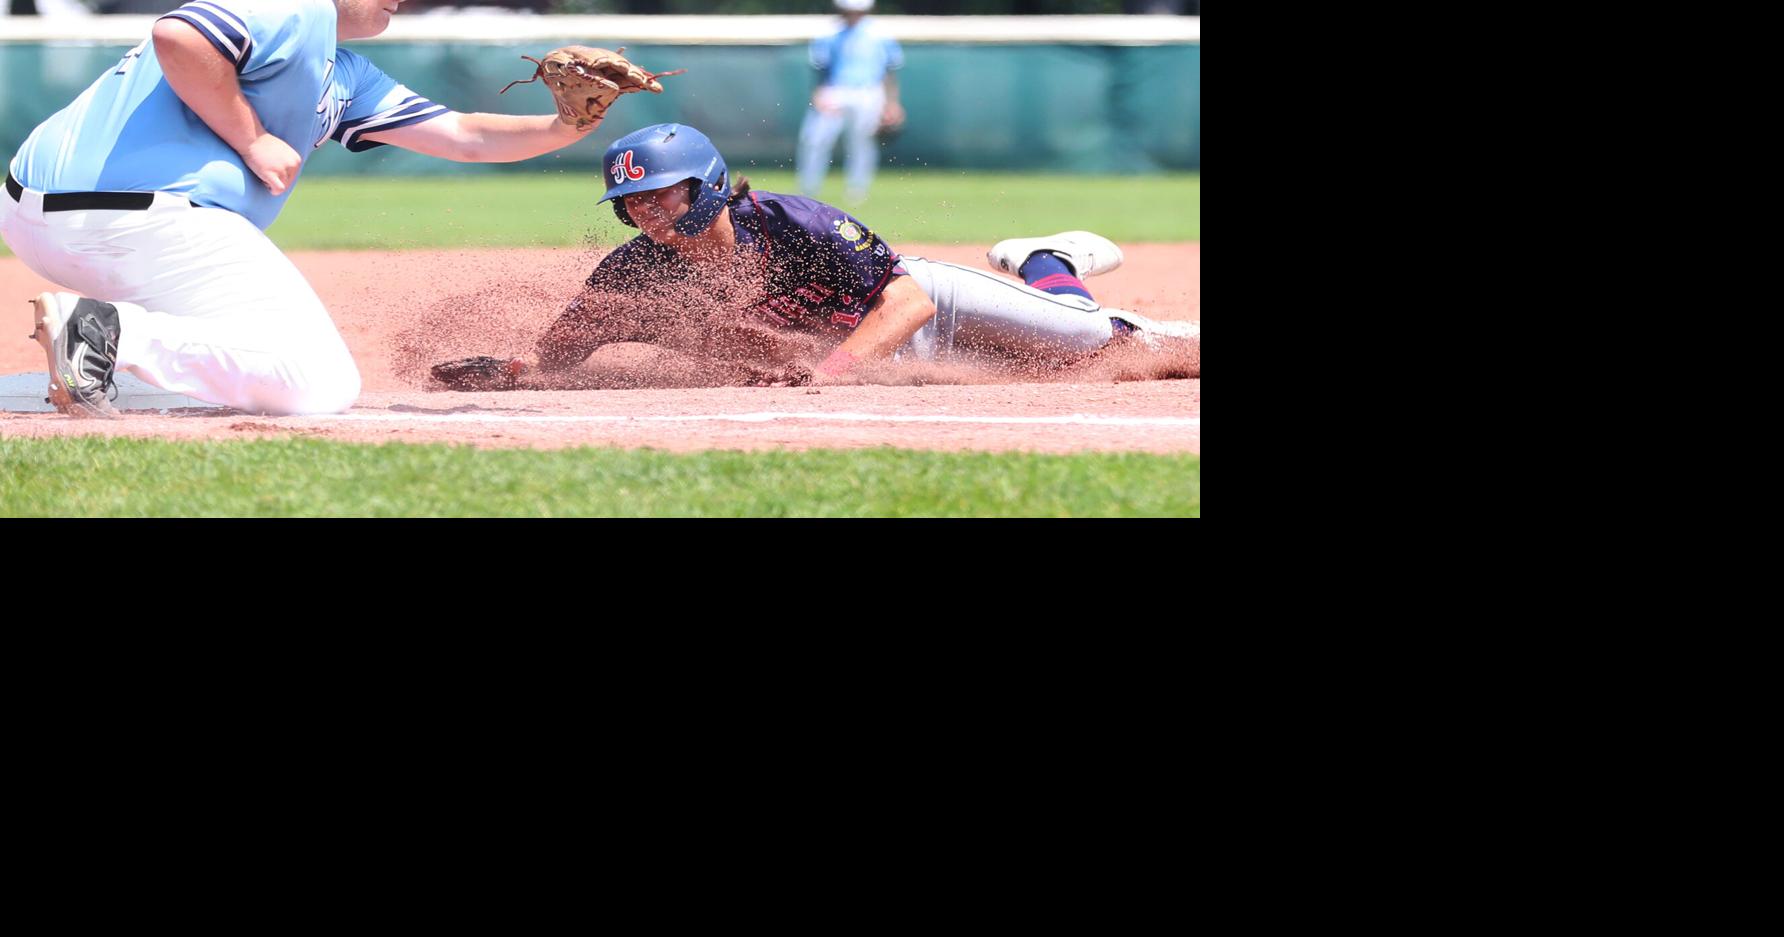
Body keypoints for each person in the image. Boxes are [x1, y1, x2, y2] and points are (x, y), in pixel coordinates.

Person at [2, 0, 645, 418]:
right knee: (316, 381)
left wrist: (567, 125)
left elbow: (464, 135)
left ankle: (68, 363)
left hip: (45, 218)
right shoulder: (296, 6)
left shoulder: (344, 72)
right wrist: (253, 138)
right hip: (148, 220)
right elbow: (179, 35)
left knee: (214, 362)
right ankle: (109, 330)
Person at [449, 123, 1197, 391]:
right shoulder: (634, 270)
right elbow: (564, 348)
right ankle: (1049, 264)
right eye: (632, 201)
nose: (645, 212)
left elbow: (907, 302)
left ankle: (1046, 258)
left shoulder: (793, 221)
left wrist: (828, 374)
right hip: (883, 356)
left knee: (1093, 339)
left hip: (924, 304)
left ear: (708, 185)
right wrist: (515, 372)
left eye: (661, 195)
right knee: (1049, 371)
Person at [795, 0, 904, 205]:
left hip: (868, 91)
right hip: (835, 89)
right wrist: (818, 94)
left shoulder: (880, 34)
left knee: (862, 143)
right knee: (815, 139)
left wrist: (892, 103)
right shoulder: (829, 33)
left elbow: (889, 71)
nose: (854, 15)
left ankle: (857, 189)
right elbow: (820, 69)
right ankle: (808, 189)